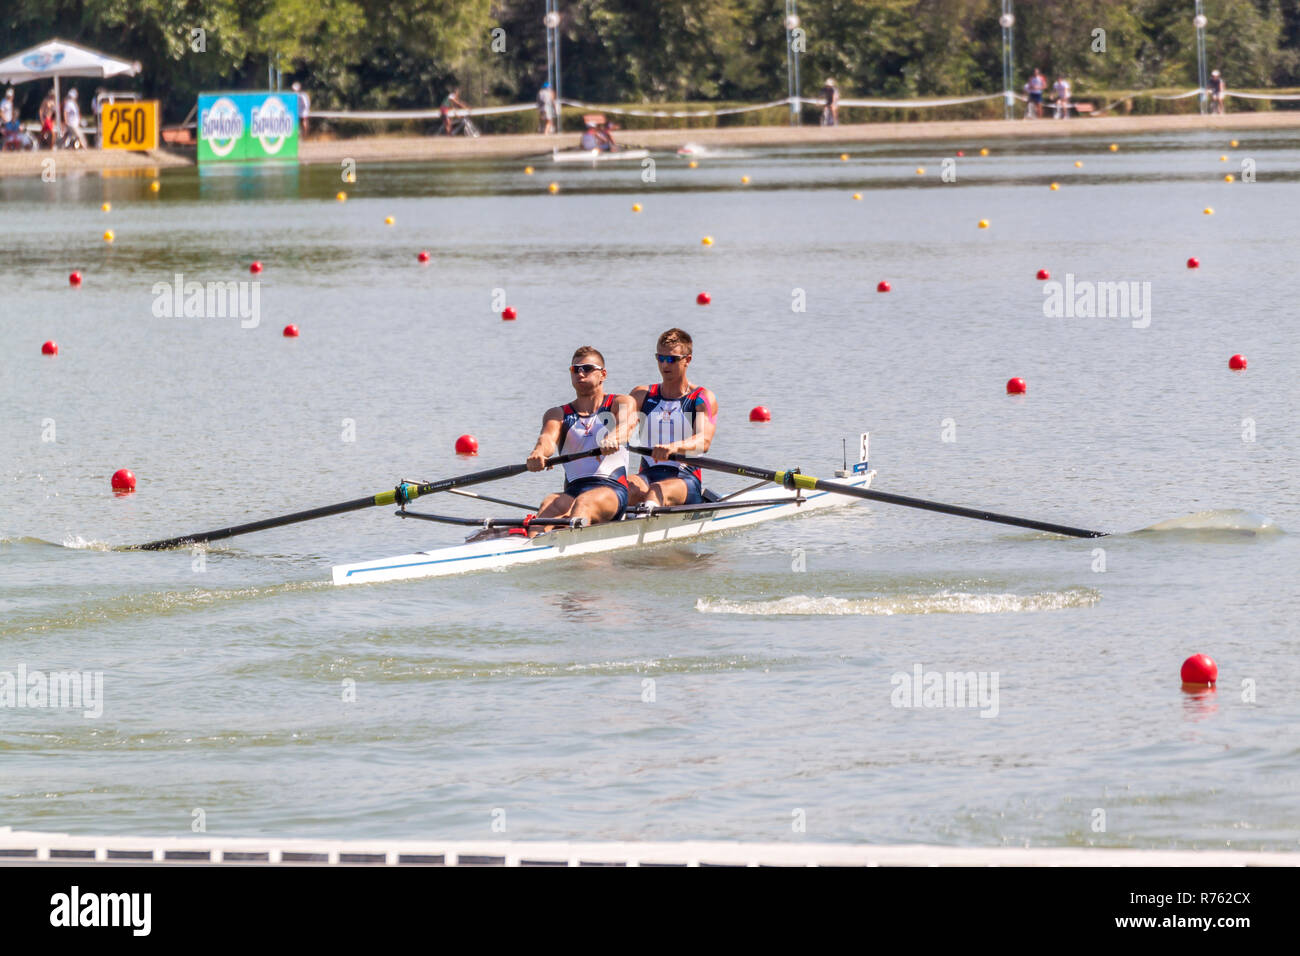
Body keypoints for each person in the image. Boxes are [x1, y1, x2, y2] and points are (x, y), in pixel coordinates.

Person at [525, 347, 636, 531]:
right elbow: (546, 440)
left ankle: (574, 542)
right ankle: (530, 545)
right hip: (573, 491)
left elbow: (626, 426)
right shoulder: (557, 414)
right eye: (575, 369)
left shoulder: (620, 402)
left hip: (612, 491)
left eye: (587, 368)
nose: (580, 373)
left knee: (584, 503)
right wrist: (538, 454)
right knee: (549, 503)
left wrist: (613, 438)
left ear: (603, 374)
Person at [626, 329, 718, 511]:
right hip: (647, 475)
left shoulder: (702, 398)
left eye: (672, 359)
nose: (664, 365)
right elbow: (623, 425)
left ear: (688, 360)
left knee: (656, 491)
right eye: (660, 358)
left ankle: (645, 520)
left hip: (684, 479)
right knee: (621, 488)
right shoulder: (641, 394)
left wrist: (672, 447)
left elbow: (704, 441)